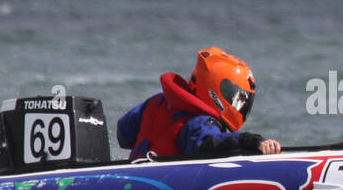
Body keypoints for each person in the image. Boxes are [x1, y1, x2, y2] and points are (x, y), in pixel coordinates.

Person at [116, 47, 282, 159]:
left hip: (132, 186)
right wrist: (250, 141)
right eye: (238, 99)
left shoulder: (156, 102)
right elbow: (207, 143)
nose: (240, 105)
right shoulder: (201, 122)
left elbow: (124, 134)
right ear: (216, 91)